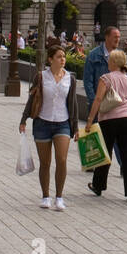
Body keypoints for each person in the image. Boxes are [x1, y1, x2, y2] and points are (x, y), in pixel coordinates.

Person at [19, 45, 80, 209]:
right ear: (50, 59)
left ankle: (59, 197)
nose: (63, 59)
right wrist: (24, 119)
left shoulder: (70, 78)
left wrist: (75, 126)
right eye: (59, 56)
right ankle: (45, 196)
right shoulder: (41, 77)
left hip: (63, 123)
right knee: (45, 163)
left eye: (64, 57)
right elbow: (32, 99)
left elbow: (73, 103)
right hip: (42, 122)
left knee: (61, 159)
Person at [85, 48, 127, 201]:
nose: (108, 63)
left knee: (105, 153)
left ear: (114, 62)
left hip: (108, 120)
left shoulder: (106, 79)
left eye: (109, 60)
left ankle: (98, 185)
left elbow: (98, 99)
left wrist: (90, 120)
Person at [84, 26, 120, 111]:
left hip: (116, 106)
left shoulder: (120, 56)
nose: (118, 39)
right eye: (115, 37)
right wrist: (94, 102)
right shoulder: (93, 55)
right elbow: (87, 81)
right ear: (107, 37)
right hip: (98, 106)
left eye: (119, 37)